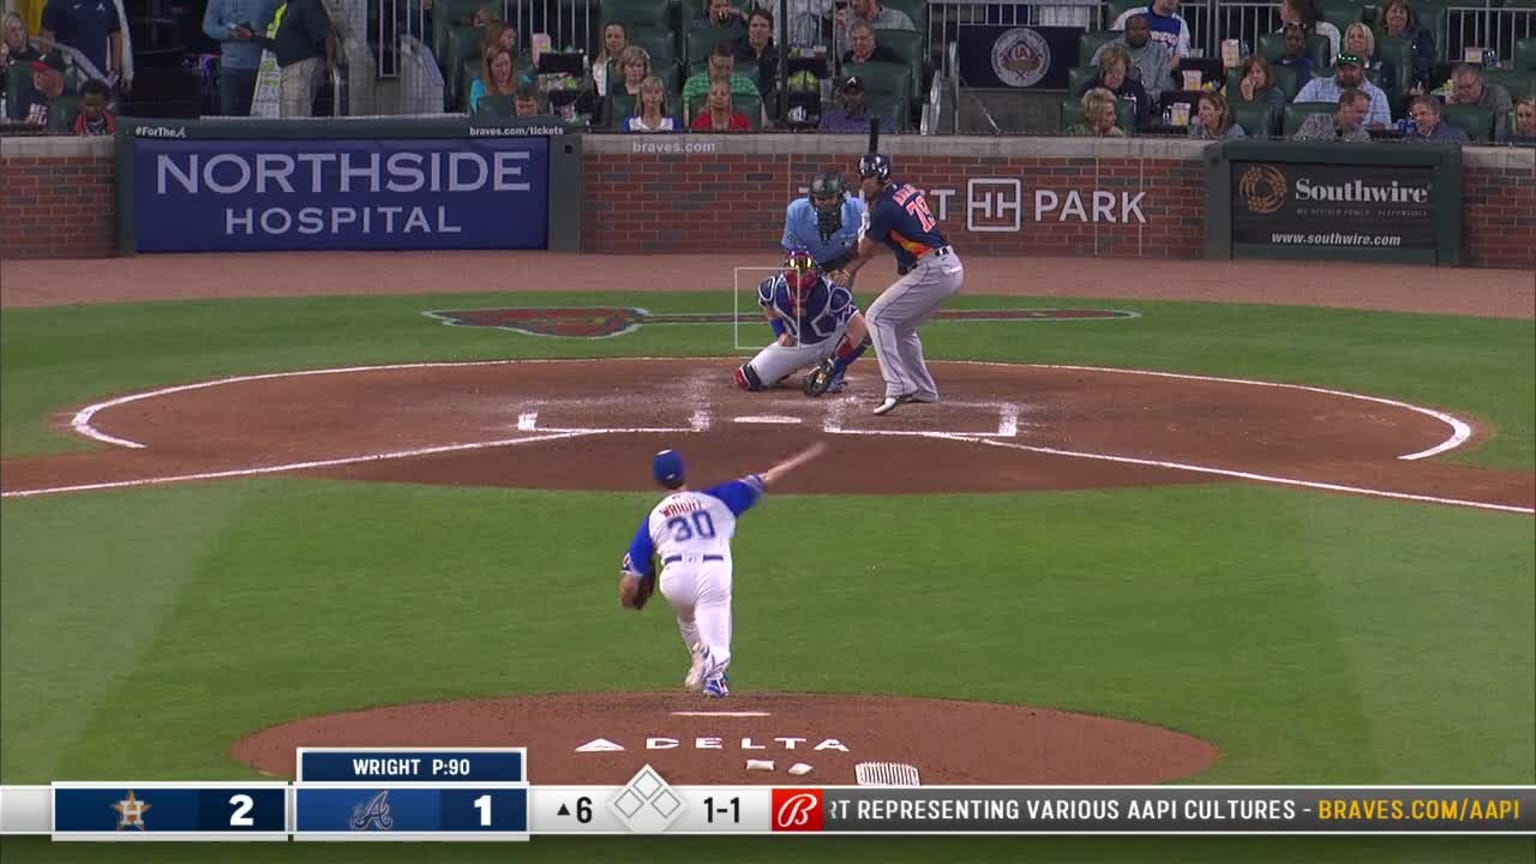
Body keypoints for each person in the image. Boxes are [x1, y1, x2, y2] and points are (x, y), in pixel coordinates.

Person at [619, 441, 829, 698]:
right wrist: (791, 463)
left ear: (658, 481)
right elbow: (765, 479)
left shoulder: (654, 517)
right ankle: (714, 672)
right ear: (685, 472)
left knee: (687, 618)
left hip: (675, 581)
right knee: (716, 615)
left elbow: (630, 584)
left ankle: (703, 660)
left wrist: (630, 601)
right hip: (713, 573)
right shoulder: (717, 498)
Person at [830, 153, 964, 416]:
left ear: (881, 178)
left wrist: (847, 266)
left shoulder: (884, 210)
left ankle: (899, 384)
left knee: (878, 317)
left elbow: (865, 250)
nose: (863, 184)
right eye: (861, 178)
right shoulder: (903, 189)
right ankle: (924, 389)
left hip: (933, 269)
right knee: (903, 329)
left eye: (867, 178)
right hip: (946, 266)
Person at [734, 248, 872, 396]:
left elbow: (861, 329)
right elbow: (765, 303)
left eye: (804, 271)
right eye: (796, 271)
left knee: (866, 333)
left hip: (834, 340)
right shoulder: (772, 289)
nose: (800, 276)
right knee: (747, 378)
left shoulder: (830, 292)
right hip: (801, 343)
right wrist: (780, 332)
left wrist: (833, 366)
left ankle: (835, 372)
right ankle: (788, 368)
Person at [202, 0, 279, 116]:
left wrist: (259, 35)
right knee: (231, 120)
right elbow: (208, 26)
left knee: (265, 119)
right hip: (232, 69)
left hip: (265, 70)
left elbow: (284, 23)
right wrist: (231, 34)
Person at [782, 169, 867, 272]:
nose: (826, 203)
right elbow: (790, 250)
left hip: (841, 260)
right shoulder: (796, 212)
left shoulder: (858, 210)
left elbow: (866, 250)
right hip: (808, 259)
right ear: (813, 199)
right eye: (821, 199)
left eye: (831, 198)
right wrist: (807, 270)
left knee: (838, 287)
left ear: (840, 197)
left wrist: (846, 272)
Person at [1293, 52, 1391, 129]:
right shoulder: (1316, 86)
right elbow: (1295, 114)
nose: (1347, 73)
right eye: (1342, 69)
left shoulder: (1377, 95)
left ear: (1362, 70)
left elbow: (1383, 128)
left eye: (1352, 69)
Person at [1090, 13, 1173, 101]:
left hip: (1149, 102)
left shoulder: (1160, 52)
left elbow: (1164, 87)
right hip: (1110, 100)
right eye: (1134, 29)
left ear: (1149, 31)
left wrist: (1143, 98)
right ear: (1126, 31)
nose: (1139, 33)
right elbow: (1093, 77)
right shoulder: (1108, 49)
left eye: (1143, 29)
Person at [1076, 44, 1150, 129]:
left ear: (1126, 72)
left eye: (1119, 72)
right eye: (1111, 72)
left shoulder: (1137, 89)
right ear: (1103, 72)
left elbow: (1144, 122)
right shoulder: (1089, 89)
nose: (1115, 77)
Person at [1443, 63, 1513, 142]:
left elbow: (1501, 133)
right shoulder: (1453, 99)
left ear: (1479, 83)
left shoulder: (1498, 94)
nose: (1463, 92)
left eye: (1468, 87)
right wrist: (1450, 111)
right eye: (1460, 88)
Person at [1378, 0, 1435, 92]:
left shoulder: (1420, 37)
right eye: (1394, 11)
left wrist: (1417, 86)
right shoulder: (1377, 38)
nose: (1398, 15)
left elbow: (1426, 67)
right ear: (1385, 14)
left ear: (1408, 17)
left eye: (1402, 12)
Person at [1291, 87, 1370, 141]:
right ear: (1344, 107)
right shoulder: (1316, 122)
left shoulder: (1362, 136)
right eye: (1359, 112)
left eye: (1365, 113)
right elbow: (1298, 147)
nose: (1363, 117)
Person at [1400, 94, 1466, 143]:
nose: (1418, 118)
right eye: (1415, 115)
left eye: (1423, 113)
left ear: (1436, 115)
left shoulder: (1455, 136)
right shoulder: (1409, 140)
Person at [592, 21, 626, 97]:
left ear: (625, 39)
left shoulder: (631, 63)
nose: (613, 40)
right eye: (609, 36)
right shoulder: (598, 65)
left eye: (617, 36)